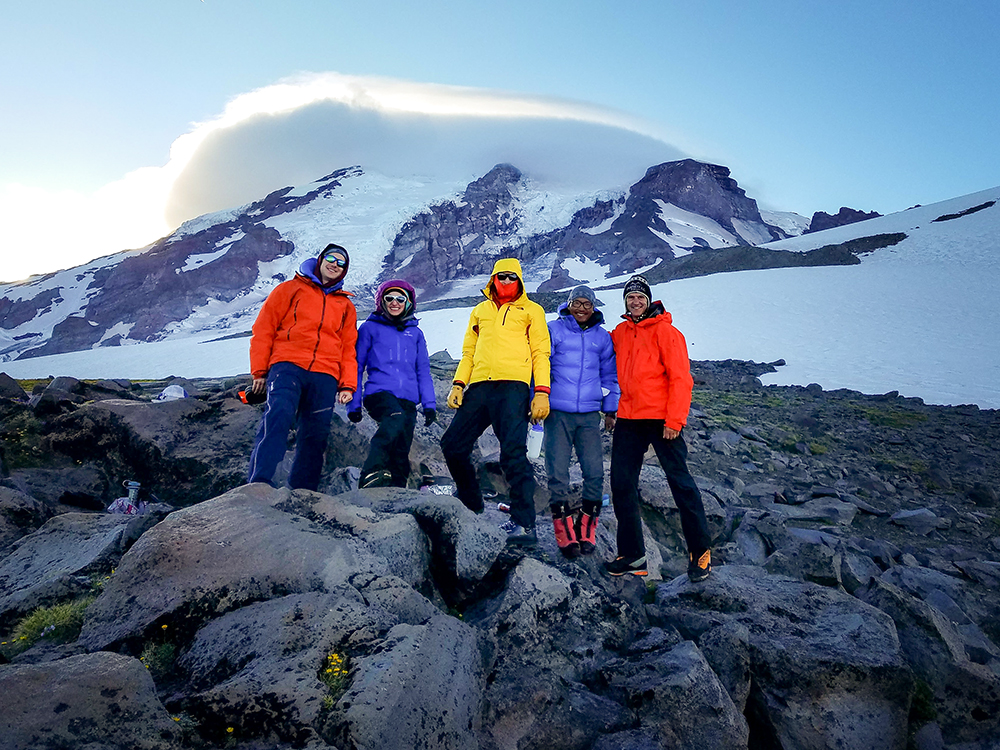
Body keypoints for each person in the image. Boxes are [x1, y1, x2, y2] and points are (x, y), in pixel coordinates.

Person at [606, 275, 712, 581]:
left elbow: (681, 379)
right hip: (628, 418)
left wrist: (674, 421)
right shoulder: (622, 332)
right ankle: (632, 555)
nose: (635, 301)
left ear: (649, 300)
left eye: (640, 297)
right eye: (630, 297)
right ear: (625, 302)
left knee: (680, 483)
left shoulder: (667, 332)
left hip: (661, 420)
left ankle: (701, 551)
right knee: (622, 484)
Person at [440, 258, 551, 545]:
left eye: (512, 277)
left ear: (520, 280)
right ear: (493, 278)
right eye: (501, 276)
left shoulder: (532, 311)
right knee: (452, 444)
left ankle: (525, 524)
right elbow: (468, 352)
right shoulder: (480, 310)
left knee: (513, 454)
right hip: (479, 385)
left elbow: (540, 353)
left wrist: (541, 391)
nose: (506, 281)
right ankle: (470, 499)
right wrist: (458, 383)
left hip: (513, 387)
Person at [246, 243, 358, 491]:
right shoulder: (290, 289)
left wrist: (347, 384)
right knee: (278, 416)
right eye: (331, 258)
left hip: (325, 374)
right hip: (287, 365)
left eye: (341, 263)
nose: (335, 265)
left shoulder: (346, 306)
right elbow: (264, 330)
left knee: (315, 433)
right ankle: (259, 484)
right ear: (320, 259)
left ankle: (302, 492)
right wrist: (260, 372)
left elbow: (348, 348)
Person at [544, 285, 619, 557]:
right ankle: (563, 531)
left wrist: (610, 411)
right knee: (557, 473)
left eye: (587, 304)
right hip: (558, 413)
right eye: (577, 303)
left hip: (589, 414)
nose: (582, 309)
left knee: (595, 473)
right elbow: (540, 365)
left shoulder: (603, 338)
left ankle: (587, 527)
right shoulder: (554, 329)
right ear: (568, 304)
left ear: (595, 308)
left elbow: (610, 376)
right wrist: (536, 400)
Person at [348, 279, 437, 488]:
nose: (394, 303)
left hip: (408, 399)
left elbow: (423, 370)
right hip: (379, 392)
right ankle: (370, 473)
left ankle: (396, 492)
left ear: (408, 302)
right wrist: (354, 403)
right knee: (394, 419)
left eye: (400, 299)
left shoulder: (415, 333)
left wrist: (429, 405)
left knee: (402, 445)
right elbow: (357, 366)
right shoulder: (370, 328)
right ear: (381, 301)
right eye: (389, 298)